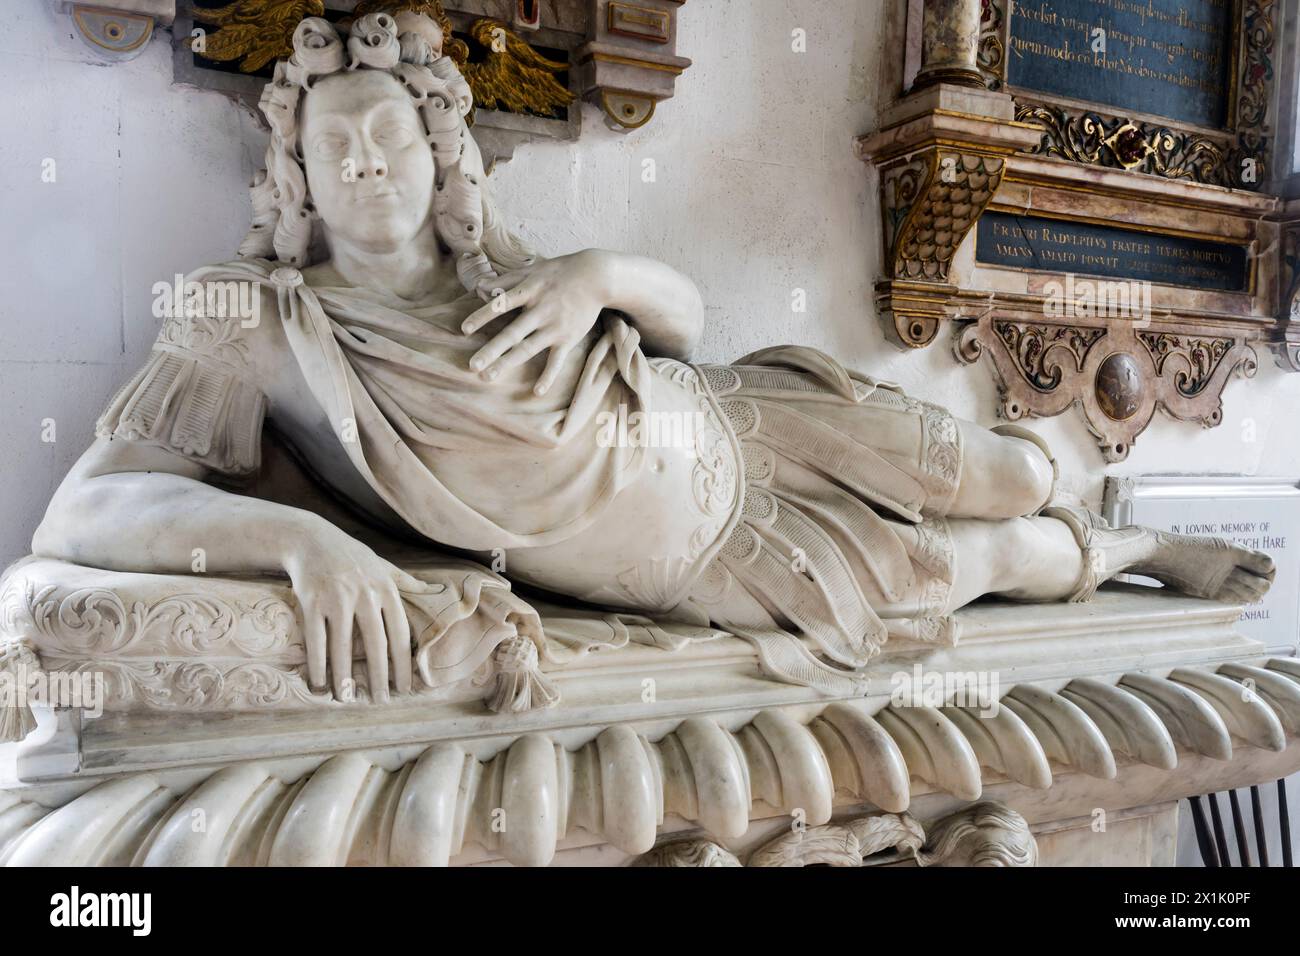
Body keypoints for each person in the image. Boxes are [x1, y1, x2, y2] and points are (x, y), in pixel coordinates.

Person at [32, 12, 1275, 704]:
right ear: (292, 174)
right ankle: (1134, 553)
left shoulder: (507, 267)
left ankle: (1113, 505)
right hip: (707, 560)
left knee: (1005, 471)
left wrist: (600, 276)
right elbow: (89, 502)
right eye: (333, 144)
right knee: (995, 556)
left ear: (439, 158)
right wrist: (299, 539)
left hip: (745, 414)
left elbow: (684, 319)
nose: (364, 162)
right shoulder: (254, 321)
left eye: (390, 136)